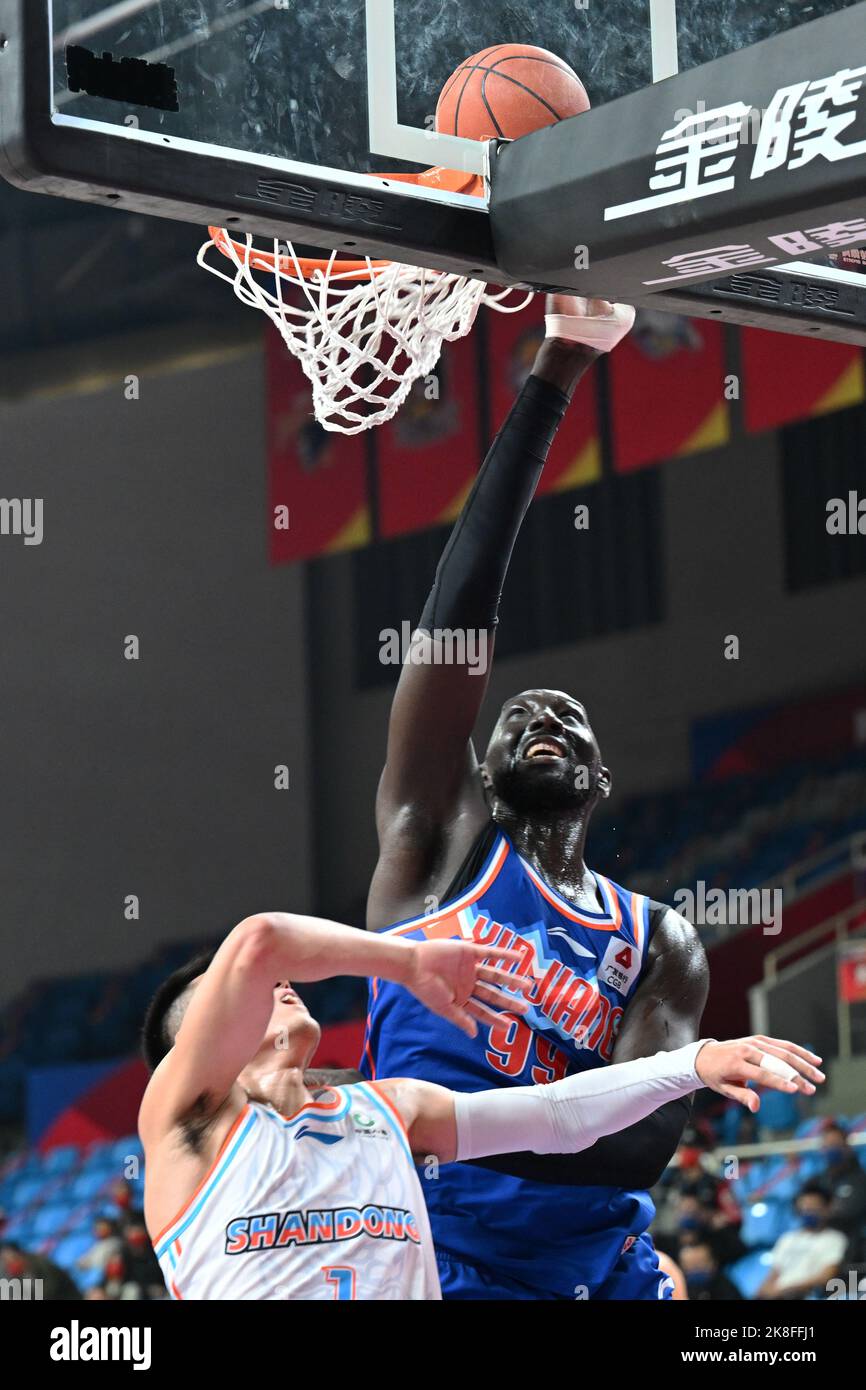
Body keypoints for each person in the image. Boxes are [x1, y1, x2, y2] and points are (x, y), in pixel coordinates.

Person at [362, 294, 715, 1299]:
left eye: (567, 722)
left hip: (600, 1264)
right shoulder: (434, 847)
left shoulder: (657, 939)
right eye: (515, 719)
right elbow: (456, 613)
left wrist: (431, 1120)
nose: (540, 722)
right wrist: (556, 368)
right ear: (476, 768)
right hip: (442, 1254)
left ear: (600, 778)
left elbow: (634, 1144)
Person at [138, 910, 820, 1300]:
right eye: (227, 993)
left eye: (281, 982)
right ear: (191, 1048)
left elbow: (558, 1116)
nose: (274, 985)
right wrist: (407, 963)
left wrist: (690, 1062)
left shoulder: (391, 1112)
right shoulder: (185, 1129)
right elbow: (259, 943)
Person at [757, 1182, 847, 1301]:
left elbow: (827, 1276)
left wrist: (786, 1290)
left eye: (813, 1208)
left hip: (805, 1295)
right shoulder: (787, 1238)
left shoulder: (834, 1239)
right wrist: (765, 1291)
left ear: (826, 1209)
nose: (808, 1212)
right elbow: (772, 1276)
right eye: (804, 1208)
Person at [821, 1121, 866, 1256]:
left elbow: (849, 1211)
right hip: (821, 1241)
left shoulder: (860, 1179)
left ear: (846, 1146)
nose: (831, 1148)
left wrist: (822, 1211)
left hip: (851, 1241)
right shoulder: (818, 1180)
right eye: (828, 1145)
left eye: (835, 1144)